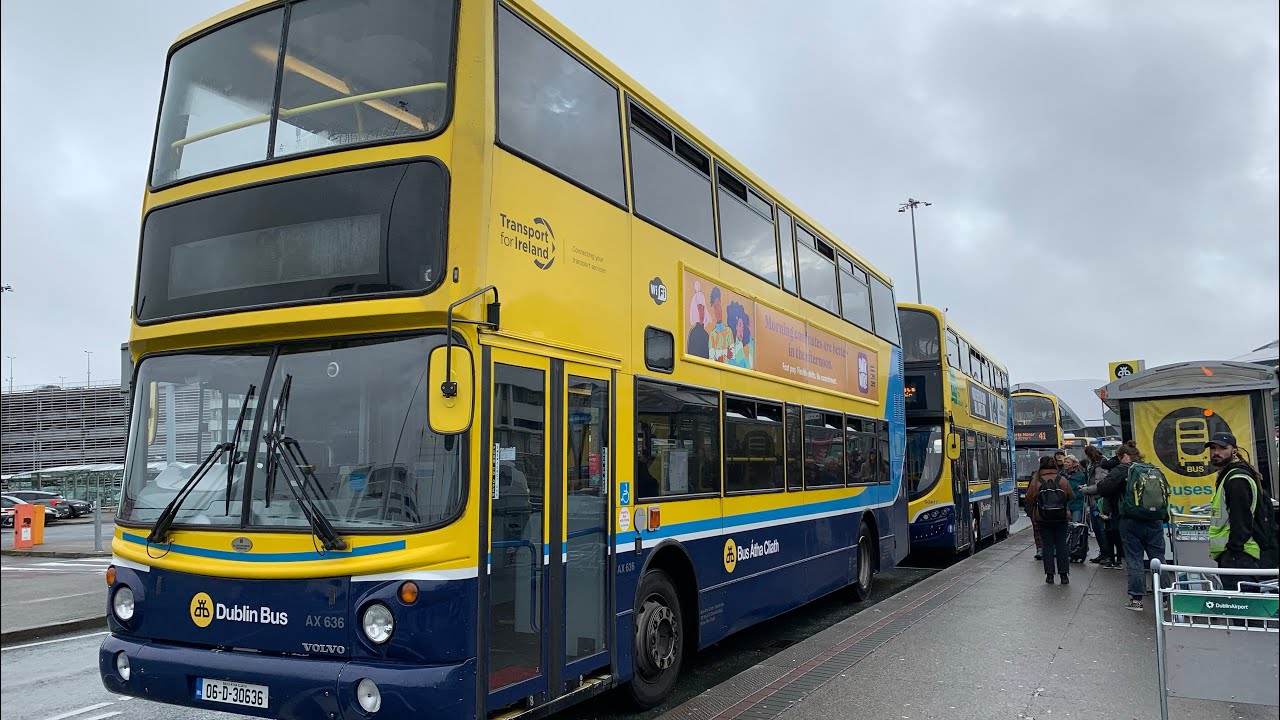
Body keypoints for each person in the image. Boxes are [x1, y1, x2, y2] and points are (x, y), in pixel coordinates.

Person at [1098, 444, 1165, 611]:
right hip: (1155, 520)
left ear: (1125, 456)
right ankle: (1164, 598)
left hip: (1130, 520)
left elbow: (1103, 488)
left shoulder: (1123, 469)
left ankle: (1137, 599)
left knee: (1135, 558)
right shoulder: (1153, 469)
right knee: (1158, 559)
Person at [1206, 433, 1278, 584]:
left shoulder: (1236, 479)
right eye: (1213, 448)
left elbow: (1241, 519)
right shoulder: (1231, 475)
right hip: (1239, 554)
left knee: (1242, 603)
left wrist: (1233, 551)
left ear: (1234, 451)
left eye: (1223, 448)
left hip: (1240, 556)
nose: (1216, 452)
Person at [1025, 455, 1074, 584]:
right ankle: (1064, 575)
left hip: (1043, 517)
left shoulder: (1037, 480)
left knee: (1047, 545)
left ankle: (1050, 575)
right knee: (1061, 544)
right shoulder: (1061, 479)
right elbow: (1070, 495)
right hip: (1061, 517)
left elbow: (1029, 498)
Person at [1061, 454, 1087, 524]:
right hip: (1064, 504)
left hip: (1077, 504)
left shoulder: (1080, 475)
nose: (1066, 464)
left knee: (1076, 524)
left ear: (1074, 463)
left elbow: (1084, 488)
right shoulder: (1061, 475)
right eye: (1065, 462)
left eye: (1068, 462)